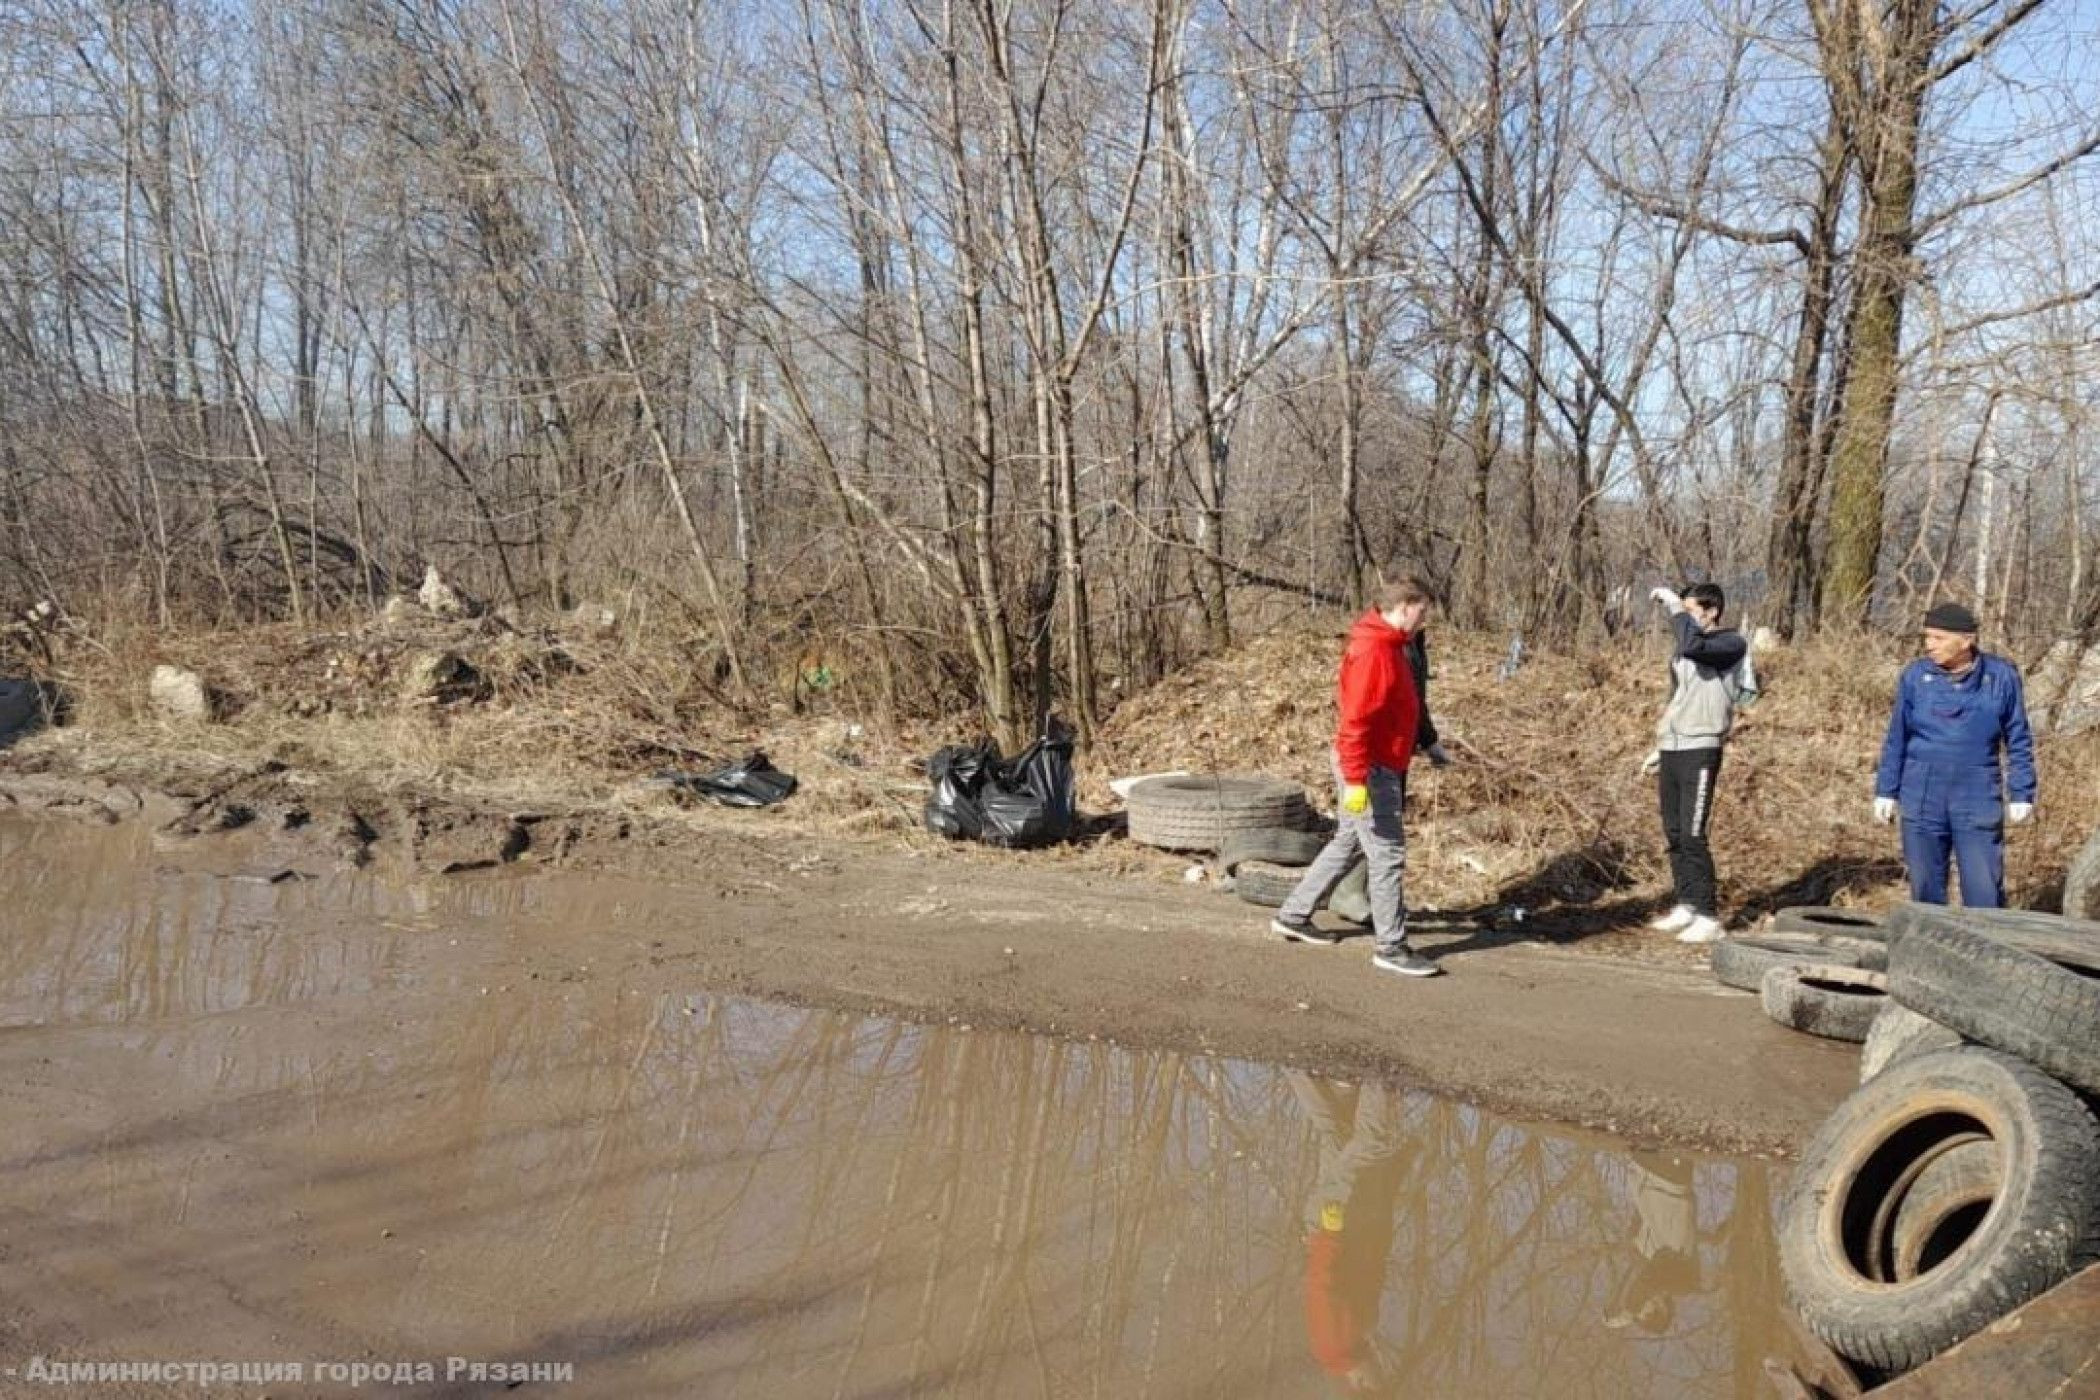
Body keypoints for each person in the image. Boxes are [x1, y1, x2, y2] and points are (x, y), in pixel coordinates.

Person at [1270, 578, 1442, 977]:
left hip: (1377, 763)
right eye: (1422, 610)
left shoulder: (1392, 644)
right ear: (1403, 607)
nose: (1425, 619)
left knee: (1350, 841)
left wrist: (1426, 742)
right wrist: (1357, 781)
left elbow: (1405, 706)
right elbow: (1355, 722)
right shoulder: (1375, 651)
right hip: (1369, 767)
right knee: (1387, 853)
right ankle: (1390, 947)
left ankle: (1293, 915)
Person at [1874, 601, 2036, 908]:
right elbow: (1897, 737)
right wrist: (1886, 790)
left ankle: (1985, 950)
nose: (1928, 645)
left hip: (1976, 794)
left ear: (1966, 640)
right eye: (1927, 637)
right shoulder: (1915, 677)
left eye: (1938, 638)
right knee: (1925, 888)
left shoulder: (2000, 678)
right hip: (1921, 792)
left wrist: (2022, 793)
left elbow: (2018, 738)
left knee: (1983, 887)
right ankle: (1927, 951)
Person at [1642, 582, 1753, 944]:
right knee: (1674, 833)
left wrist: (1675, 606)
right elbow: (1678, 697)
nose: (1684, 618)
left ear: (1711, 611)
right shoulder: (1683, 652)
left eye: (1692, 611)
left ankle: (1707, 914)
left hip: (1701, 748)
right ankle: (1687, 902)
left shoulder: (1728, 643)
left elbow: (1694, 645)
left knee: (1693, 833)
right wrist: (1661, 743)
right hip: (1674, 746)